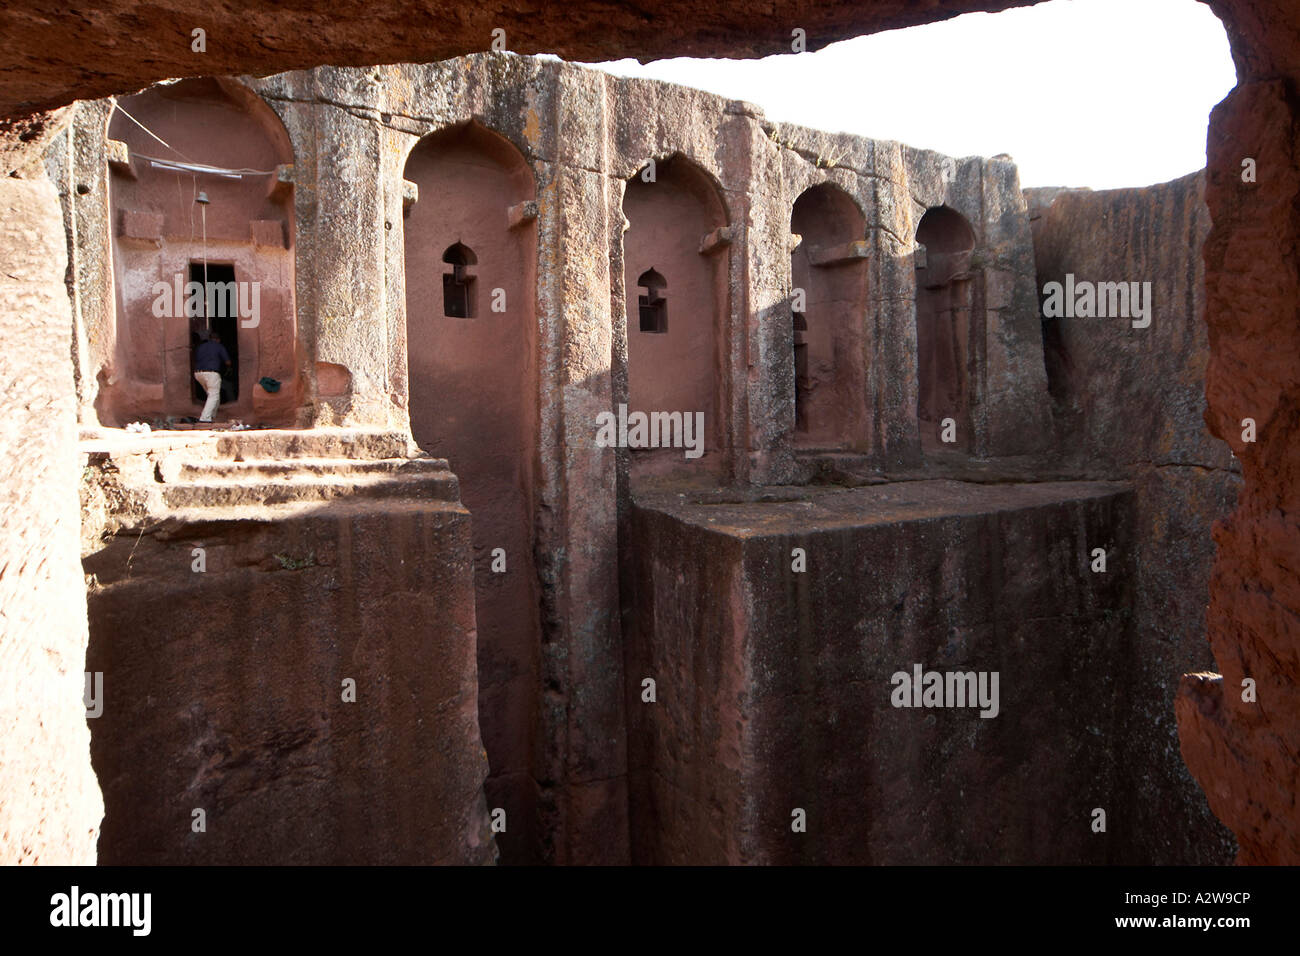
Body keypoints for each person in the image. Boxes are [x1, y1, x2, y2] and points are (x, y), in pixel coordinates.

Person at [193, 332, 233, 423]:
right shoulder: (219, 346)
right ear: (218, 339)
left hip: (198, 374)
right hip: (211, 373)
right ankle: (205, 418)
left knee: (212, 395)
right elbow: (228, 362)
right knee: (213, 395)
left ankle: (212, 415)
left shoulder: (201, 347)